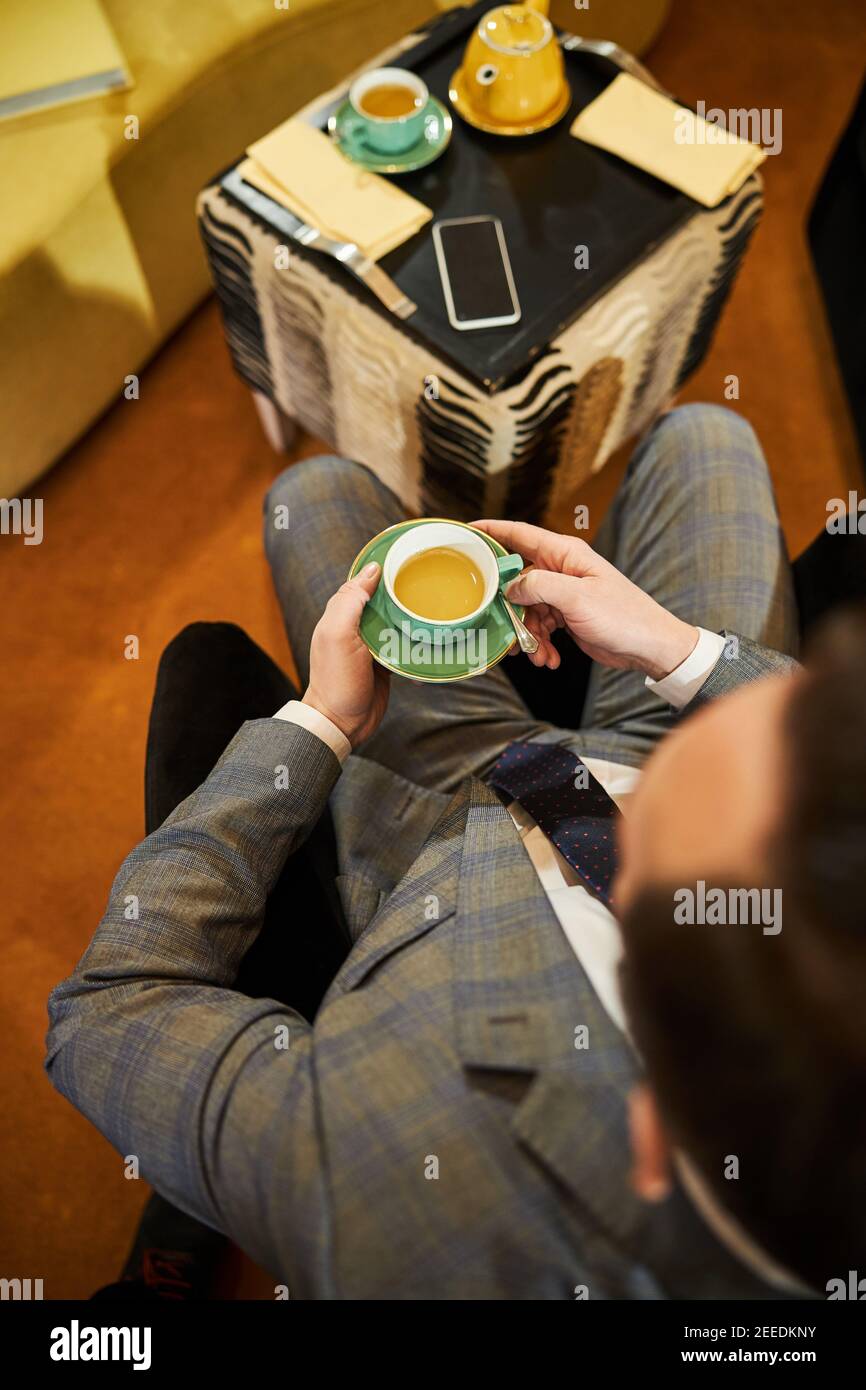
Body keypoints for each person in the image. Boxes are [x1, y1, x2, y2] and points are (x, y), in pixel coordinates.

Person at [46, 405, 864, 1299]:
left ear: (649, 1135)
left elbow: (107, 1007)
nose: (631, 804)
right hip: (632, 726)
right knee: (708, 431)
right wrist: (678, 654)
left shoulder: (378, 1189)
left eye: (670, 833)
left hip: (448, 834)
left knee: (312, 493)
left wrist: (324, 723)